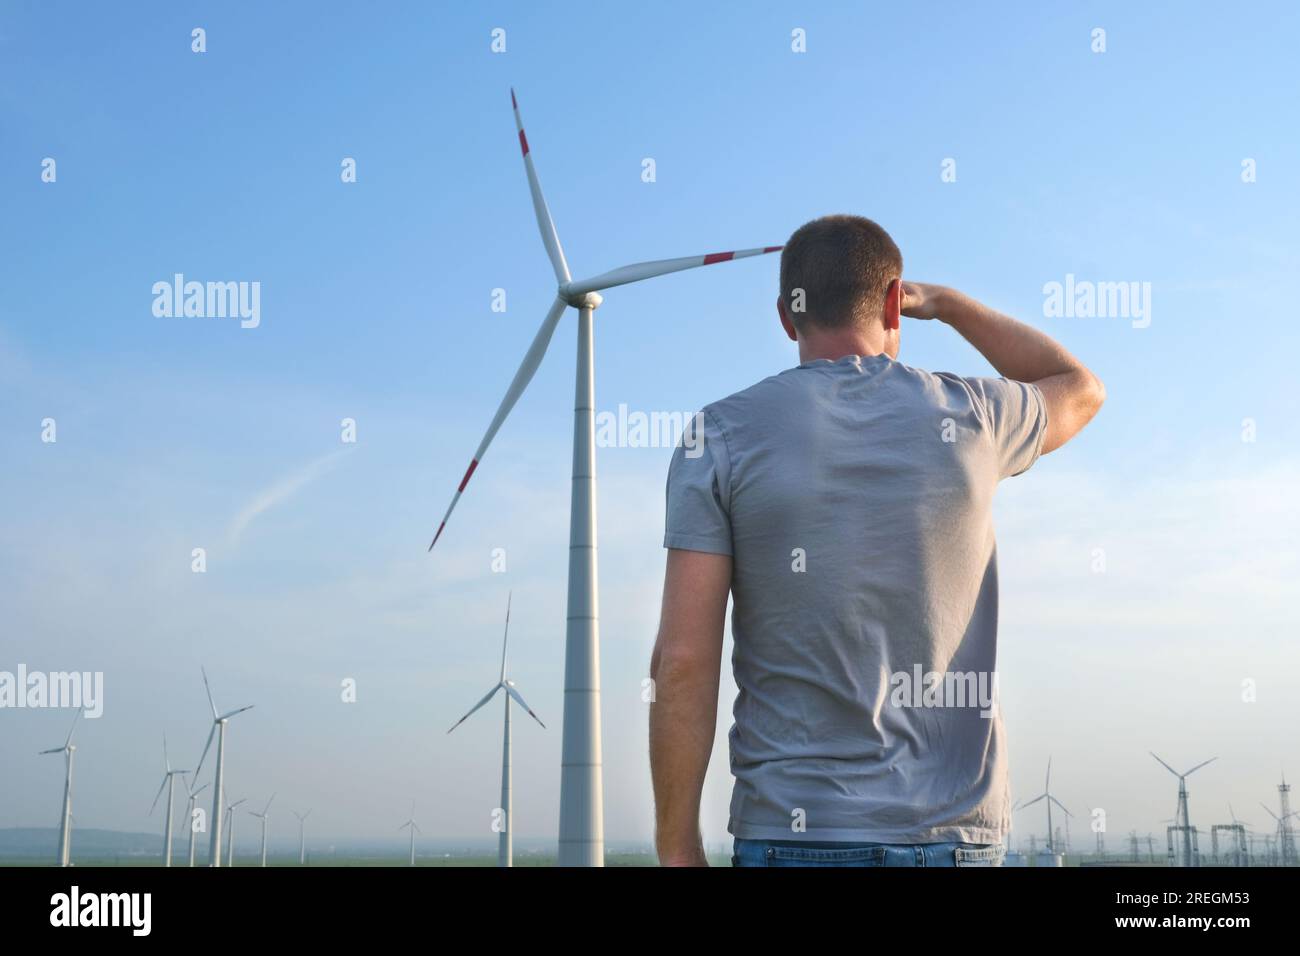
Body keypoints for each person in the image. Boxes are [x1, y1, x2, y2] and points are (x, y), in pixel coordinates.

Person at [648, 214, 1104, 867]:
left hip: (794, 832)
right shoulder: (975, 417)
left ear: (787, 315)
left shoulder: (718, 435)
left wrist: (676, 847)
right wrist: (946, 304)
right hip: (954, 838)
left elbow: (683, 660)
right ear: (894, 301)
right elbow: (1081, 389)